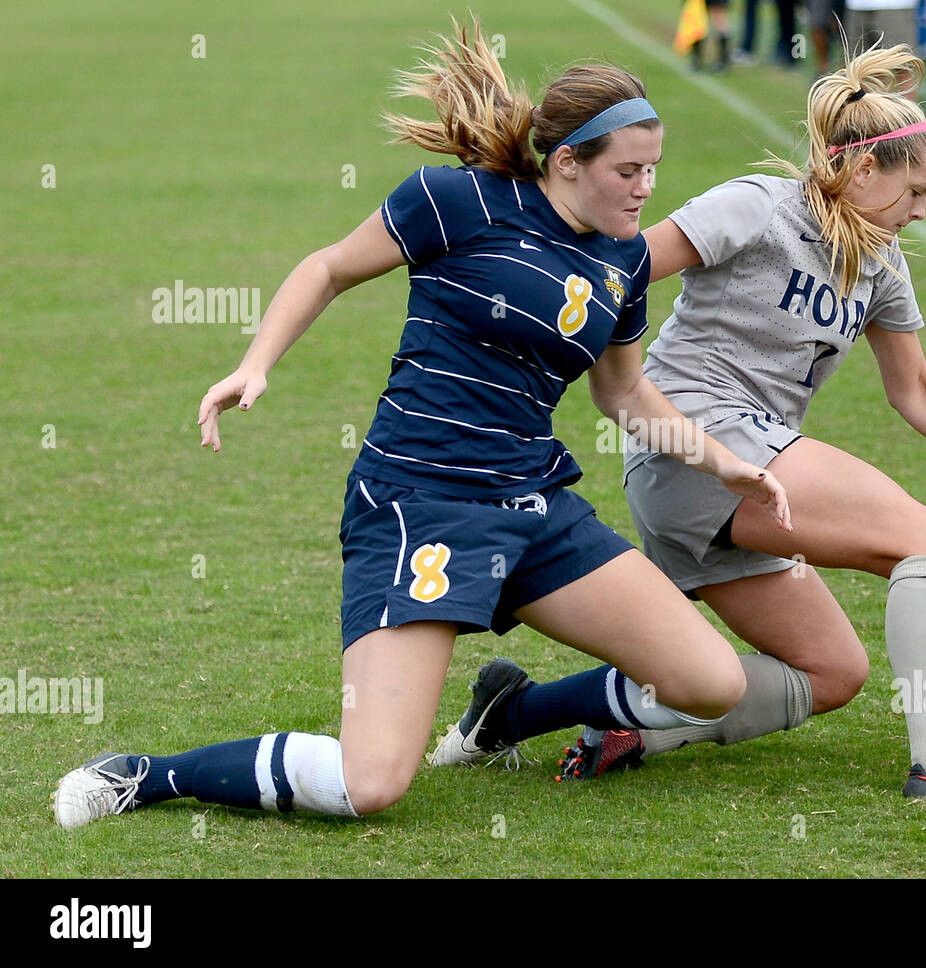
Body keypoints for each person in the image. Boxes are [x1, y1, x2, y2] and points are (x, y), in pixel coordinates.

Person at [50, 22, 794, 830]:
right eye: (629, 170)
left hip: (535, 504)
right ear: (567, 162)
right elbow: (329, 267)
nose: (646, 188)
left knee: (711, 683)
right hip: (421, 502)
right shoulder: (457, 200)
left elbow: (625, 395)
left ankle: (505, 714)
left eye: (654, 169)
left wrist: (722, 463)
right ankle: (143, 776)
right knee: (370, 785)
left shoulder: (625, 261)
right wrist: (254, 362)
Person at [436, 44, 926, 800]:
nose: (921, 211)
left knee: (833, 673)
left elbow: (916, 389)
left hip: (743, 485)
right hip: (693, 442)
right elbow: (625, 264)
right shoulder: (759, 206)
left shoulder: (882, 264)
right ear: (862, 170)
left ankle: (536, 713)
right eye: (915, 191)